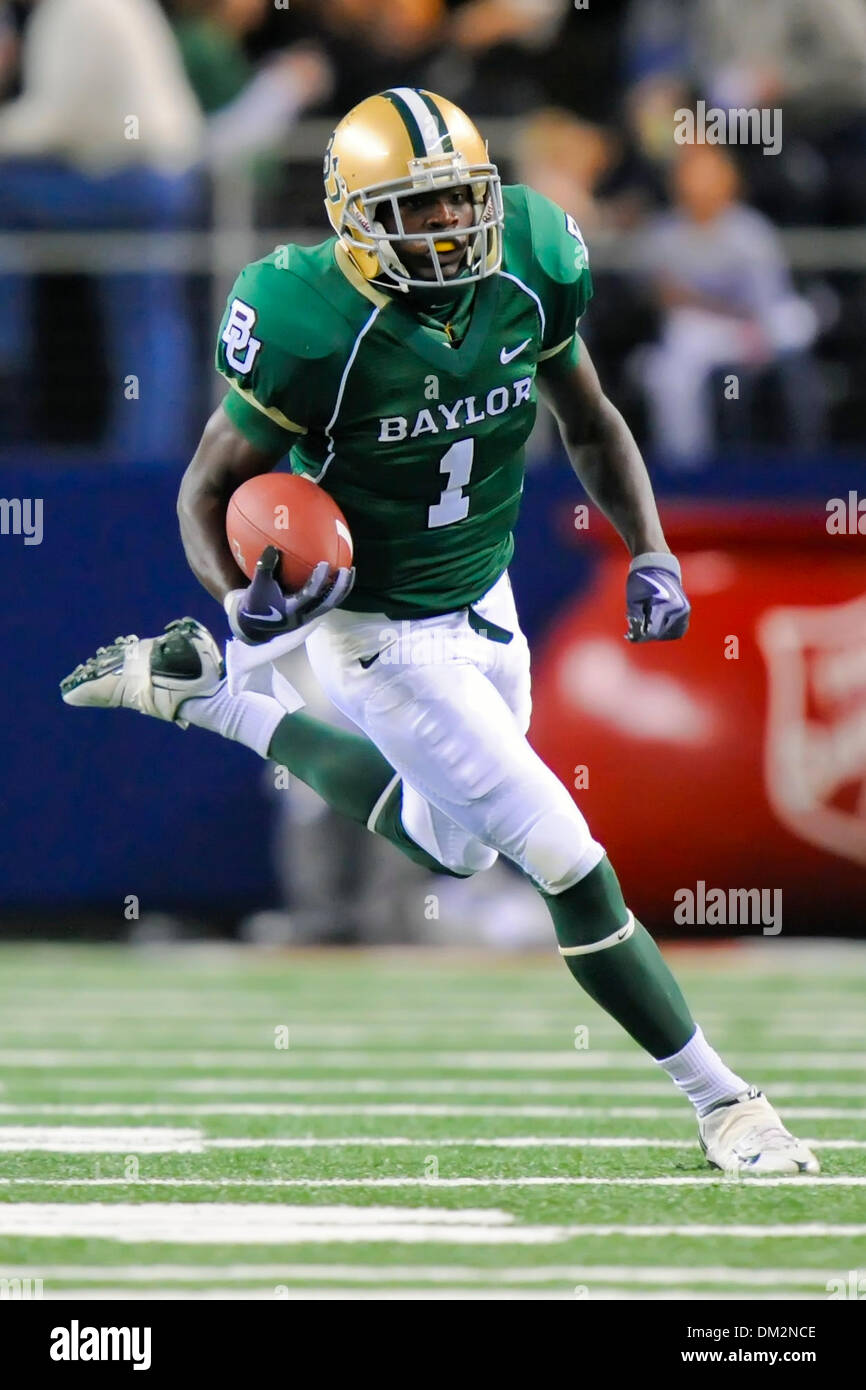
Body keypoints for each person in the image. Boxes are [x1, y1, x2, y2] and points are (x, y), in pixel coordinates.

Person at [62, 88, 818, 1175]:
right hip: (379, 634)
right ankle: (724, 1103)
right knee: (565, 858)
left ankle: (213, 701)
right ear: (355, 220)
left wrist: (649, 547)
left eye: (462, 199)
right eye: (419, 209)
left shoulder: (532, 258)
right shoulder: (309, 320)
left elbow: (589, 417)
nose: (452, 226)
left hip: (486, 591)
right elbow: (204, 491)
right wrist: (238, 600)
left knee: (453, 847)